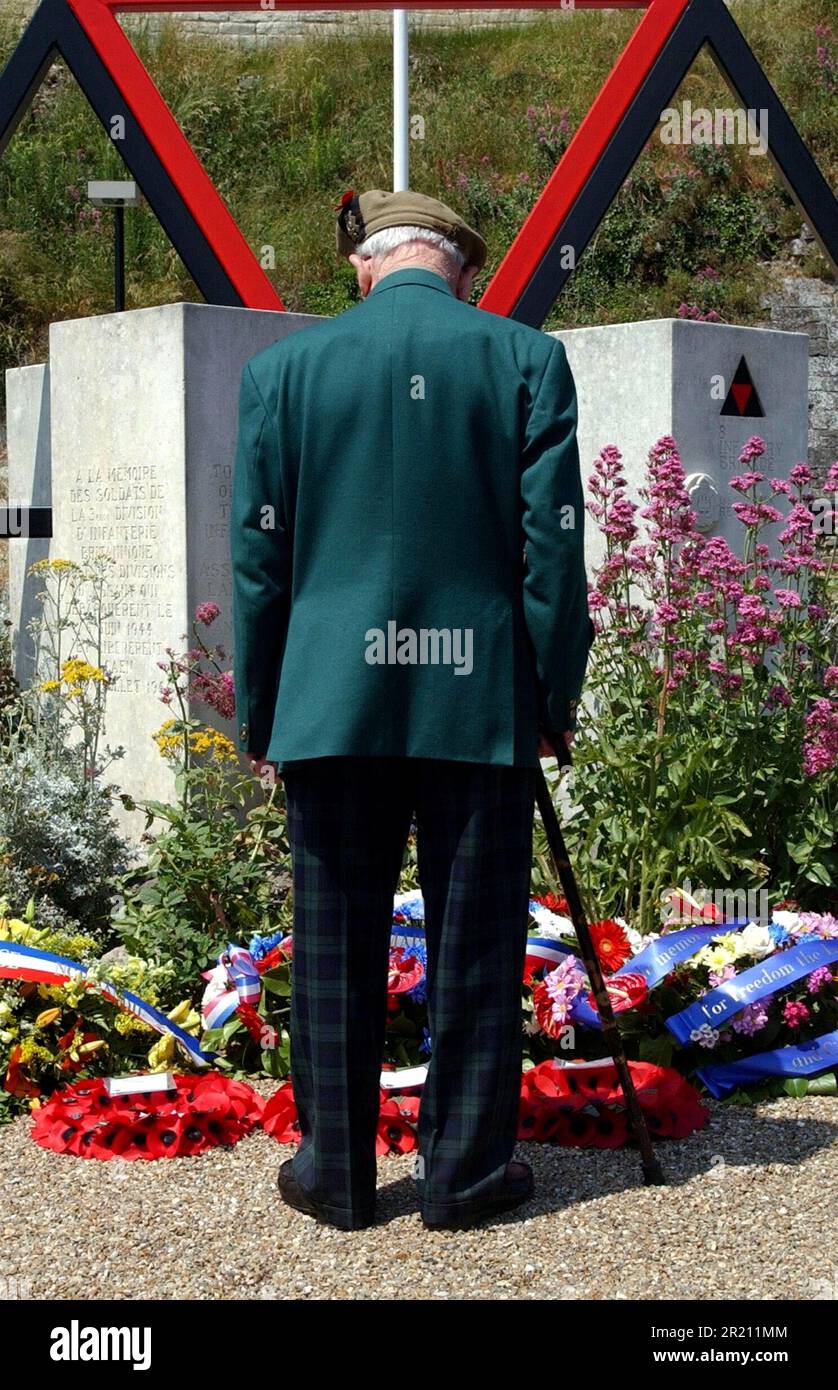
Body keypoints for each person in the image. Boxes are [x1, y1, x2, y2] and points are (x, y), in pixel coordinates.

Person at [229, 188, 593, 1231]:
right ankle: (463, 1175)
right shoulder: (525, 361)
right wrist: (550, 698)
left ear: (365, 267)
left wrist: (265, 711)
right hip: (477, 700)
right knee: (476, 938)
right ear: (459, 270)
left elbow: (259, 560)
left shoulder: (280, 372)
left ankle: (335, 1175)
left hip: (332, 701)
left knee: (332, 936)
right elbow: (551, 556)